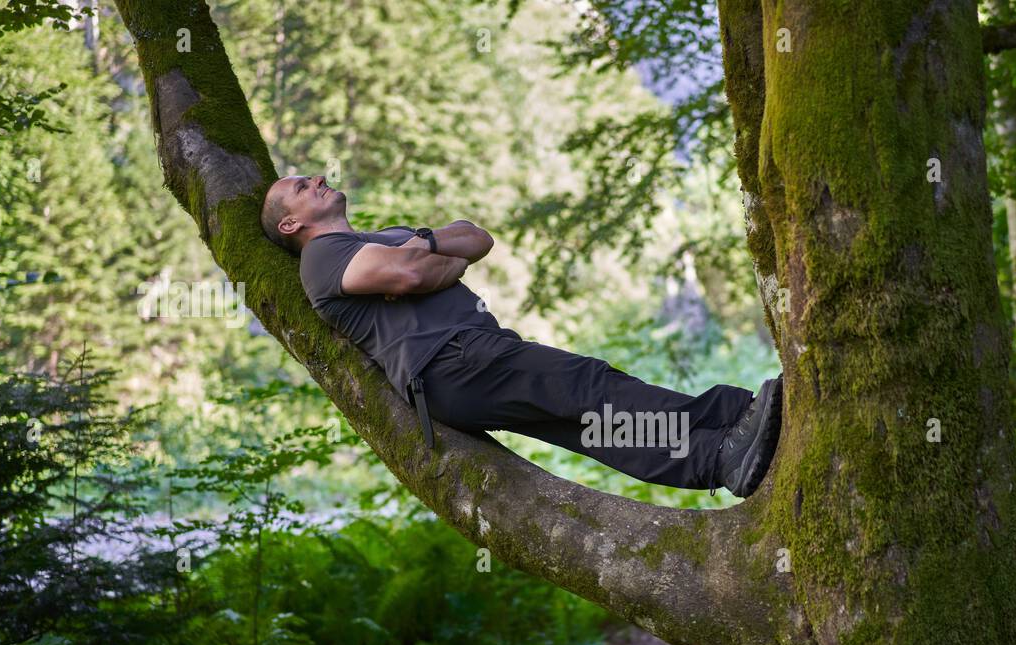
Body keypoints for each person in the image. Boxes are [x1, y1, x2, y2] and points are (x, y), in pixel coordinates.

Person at [260, 173, 782, 496]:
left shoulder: (386, 237)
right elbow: (418, 273)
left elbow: (476, 239)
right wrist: (431, 261)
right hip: (453, 360)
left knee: (596, 428)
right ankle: (733, 416)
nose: (316, 180)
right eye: (301, 188)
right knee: (592, 386)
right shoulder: (322, 255)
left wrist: (425, 246)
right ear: (290, 226)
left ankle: (719, 462)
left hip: (463, 371)